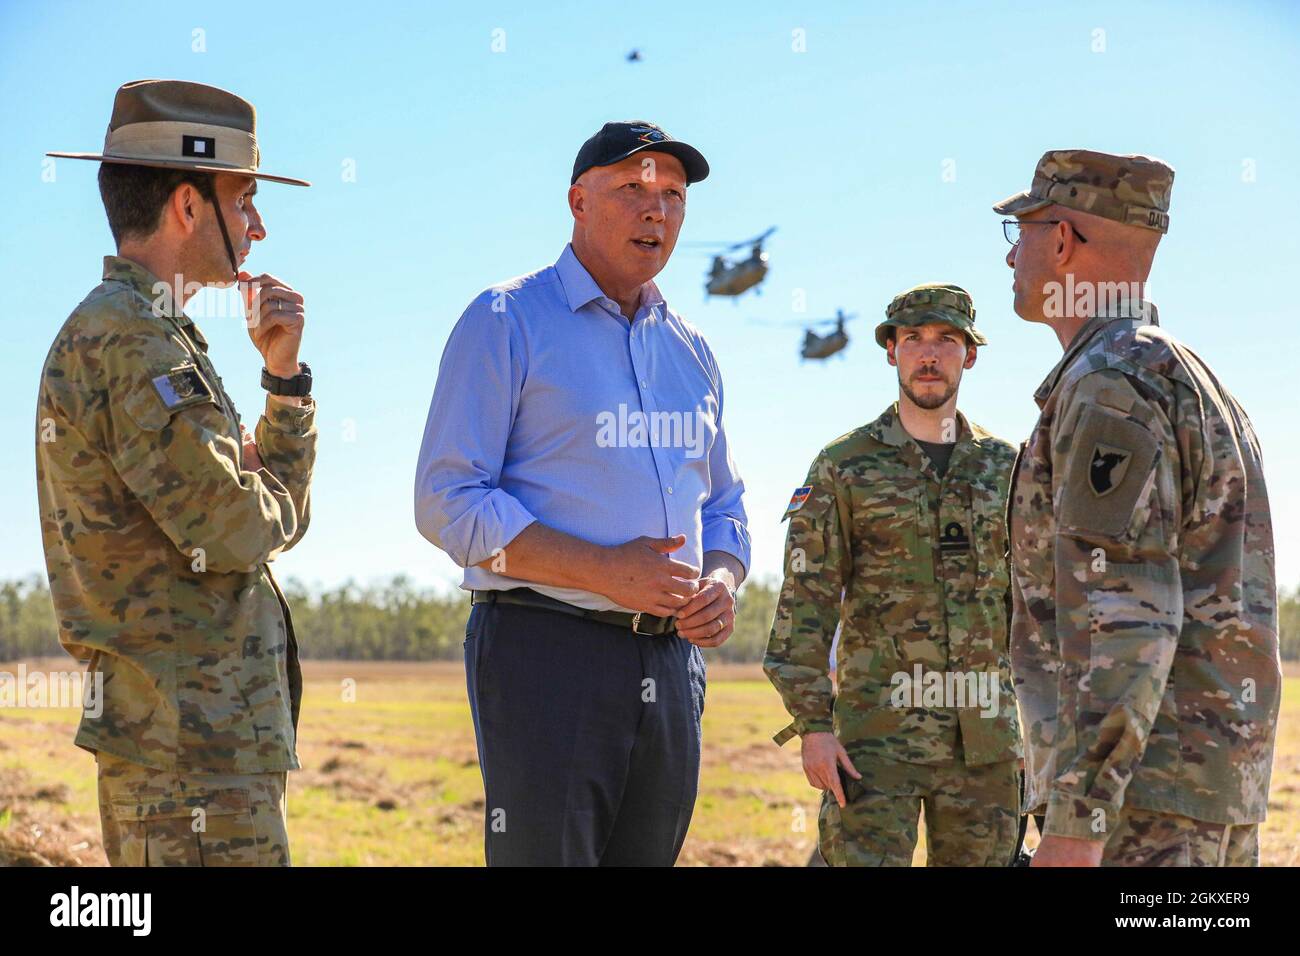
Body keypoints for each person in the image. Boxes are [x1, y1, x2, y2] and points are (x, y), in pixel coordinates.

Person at [414, 120, 750, 866]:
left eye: (672, 193)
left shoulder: (692, 350)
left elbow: (724, 506)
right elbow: (448, 499)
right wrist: (603, 570)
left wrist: (722, 581)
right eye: (631, 188)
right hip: (546, 648)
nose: (654, 208)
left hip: (671, 667)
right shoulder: (506, 319)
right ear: (577, 199)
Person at [37, 79, 316, 866]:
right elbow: (240, 528)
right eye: (245, 201)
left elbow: (252, 512)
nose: (258, 226)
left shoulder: (152, 335)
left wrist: (281, 385)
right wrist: (287, 400)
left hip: (196, 743)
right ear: (188, 207)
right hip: (188, 755)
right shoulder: (132, 344)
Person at [995, 149, 1281, 866]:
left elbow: (1126, 616)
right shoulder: (1185, 377)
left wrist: (1076, 823)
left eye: (1019, 234)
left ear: (1060, 241)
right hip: (1195, 796)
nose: (1010, 261)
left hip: (1138, 814)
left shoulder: (1110, 385)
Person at [765, 284, 1021, 866]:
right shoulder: (844, 466)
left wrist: (1039, 731)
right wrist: (812, 725)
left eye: (946, 340)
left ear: (970, 355)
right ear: (892, 352)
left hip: (987, 742)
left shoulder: (1007, 468)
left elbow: (1038, 605)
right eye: (913, 340)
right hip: (876, 740)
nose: (929, 355)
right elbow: (806, 601)